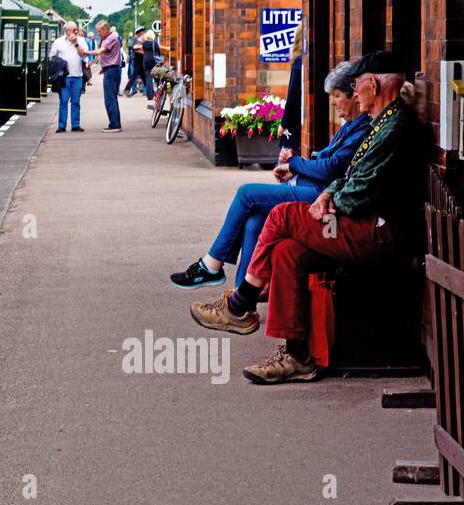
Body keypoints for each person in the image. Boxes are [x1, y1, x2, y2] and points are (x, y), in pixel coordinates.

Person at [188, 50, 430, 384]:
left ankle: (240, 305)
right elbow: (354, 175)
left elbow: (362, 190)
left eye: (356, 86)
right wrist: (330, 193)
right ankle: (297, 356)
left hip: (378, 233)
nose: (354, 93)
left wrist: (331, 199)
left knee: (283, 215)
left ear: (373, 84)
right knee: (288, 252)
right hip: (361, 224)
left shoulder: (394, 128)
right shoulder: (382, 123)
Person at [169, 60, 368, 290]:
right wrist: (294, 169)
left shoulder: (361, 128)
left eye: (336, 95)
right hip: (316, 190)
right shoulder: (349, 125)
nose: (333, 102)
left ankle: (211, 266)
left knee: (247, 194)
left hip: (324, 199)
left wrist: (293, 163)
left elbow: (331, 169)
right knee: (254, 221)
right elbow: (325, 162)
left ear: (353, 94)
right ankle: (239, 298)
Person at [49, 22, 92, 132]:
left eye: (75, 30)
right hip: (64, 77)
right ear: (66, 31)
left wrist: (76, 43)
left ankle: (75, 125)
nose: (74, 32)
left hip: (77, 75)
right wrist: (59, 64)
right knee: (63, 101)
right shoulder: (58, 42)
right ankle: (61, 126)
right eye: (72, 30)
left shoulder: (81, 40)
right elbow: (51, 57)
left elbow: (84, 55)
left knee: (76, 101)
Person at [94, 19, 123, 132]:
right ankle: (115, 123)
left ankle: (115, 125)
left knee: (110, 98)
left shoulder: (109, 39)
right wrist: (103, 67)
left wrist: (87, 52)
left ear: (106, 30)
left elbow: (101, 51)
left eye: (99, 31)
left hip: (111, 70)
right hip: (110, 69)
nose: (98, 33)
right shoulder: (107, 38)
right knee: (111, 98)